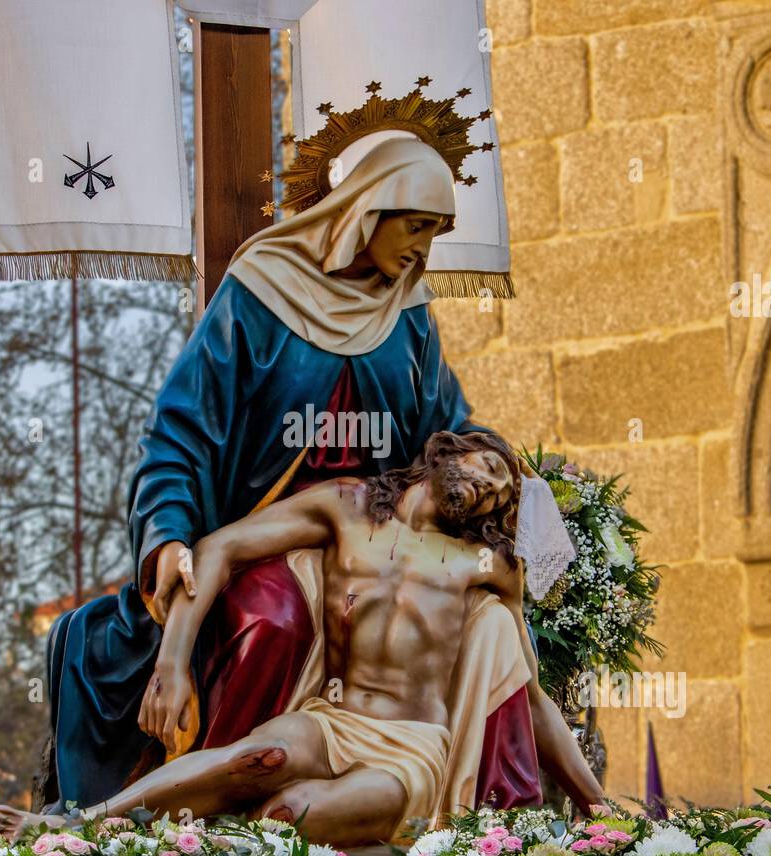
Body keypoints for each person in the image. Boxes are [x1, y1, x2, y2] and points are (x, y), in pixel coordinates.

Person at [45, 136, 543, 812]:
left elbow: (452, 427)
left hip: (377, 531)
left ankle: (490, 818)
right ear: (367, 211)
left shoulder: (408, 314)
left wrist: (529, 489)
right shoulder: (261, 290)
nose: (423, 249)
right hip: (271, 532)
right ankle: (202, 812)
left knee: (488, 621)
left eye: (437, 232)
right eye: (417, 225)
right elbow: (180, 429)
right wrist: (166, 533)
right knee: (272, 618)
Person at [0, 432, 604, 845]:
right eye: (490, 469)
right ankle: (72, 825)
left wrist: (594, 805)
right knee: (253, 759)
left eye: (499, 495)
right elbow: (221, 547)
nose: (490, 490)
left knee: (288, 814)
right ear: (450, 451)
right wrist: (171, 661)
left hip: (411, 749)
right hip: (330, 716)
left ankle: (156, 847)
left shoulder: (485, 565)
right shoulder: (347, 508)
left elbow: (532, 698)